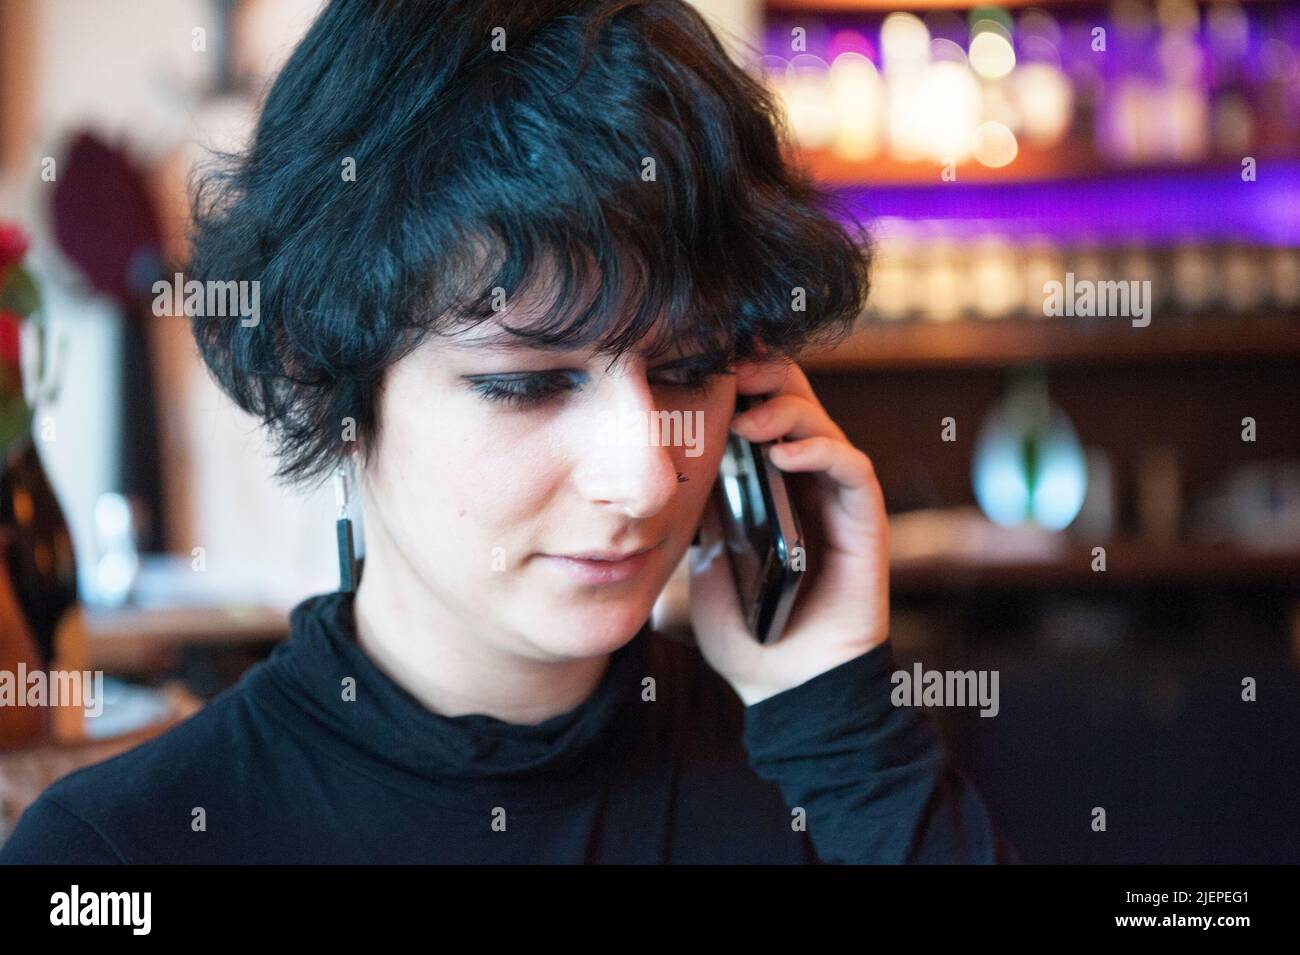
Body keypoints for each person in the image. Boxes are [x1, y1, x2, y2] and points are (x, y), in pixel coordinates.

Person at [0, 0, 1014, 864]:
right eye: (526, 384)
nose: (647, 475)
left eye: (690, 368)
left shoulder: (823, 786)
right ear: (330, 386)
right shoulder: (118, 852)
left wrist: (841, 725)